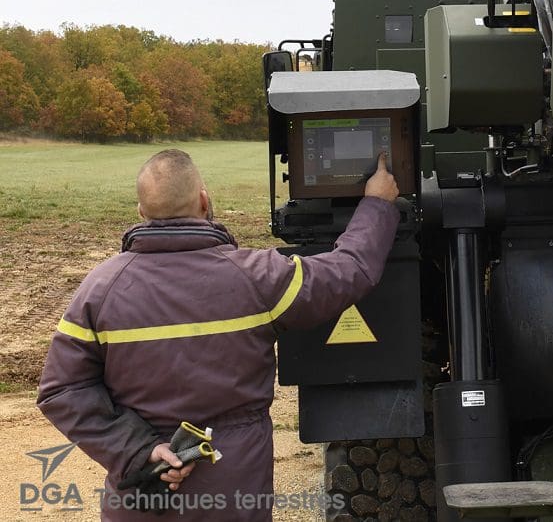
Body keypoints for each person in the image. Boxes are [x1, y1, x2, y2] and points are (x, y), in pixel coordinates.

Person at [37, 148, 400, 520]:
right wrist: (376, 205)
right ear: (204, 201)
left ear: (142, 214)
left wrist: (139, 450)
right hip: (234, 496)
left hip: (148, 492)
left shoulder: (101, 288)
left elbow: (61, 390)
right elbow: (351, 269)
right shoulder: (258, 277)